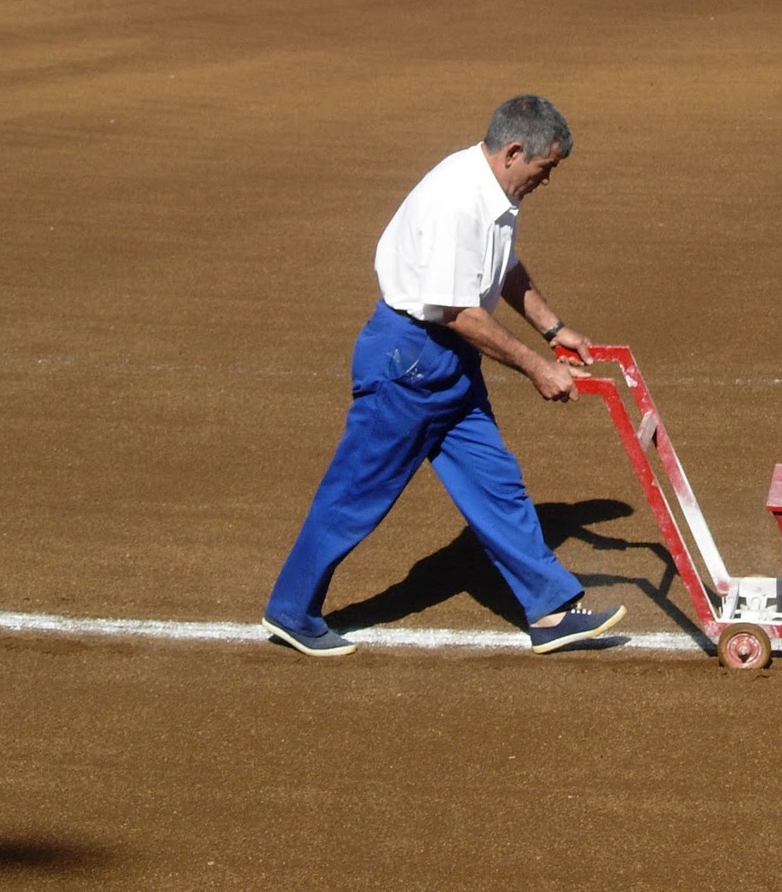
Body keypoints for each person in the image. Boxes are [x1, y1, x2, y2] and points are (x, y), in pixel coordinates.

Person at [262, 95, 626, 658]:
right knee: (356, 493)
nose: (546, 180)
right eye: (545, 167)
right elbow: (457, 312)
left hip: (447, 365)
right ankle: (291, 608)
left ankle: (550, 610)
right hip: (408, 363)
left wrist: (554, 330)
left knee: (497, 485)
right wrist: (536, 368)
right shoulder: (457, 201)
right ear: (513, 151)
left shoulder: (494, 191)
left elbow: (503, 268)